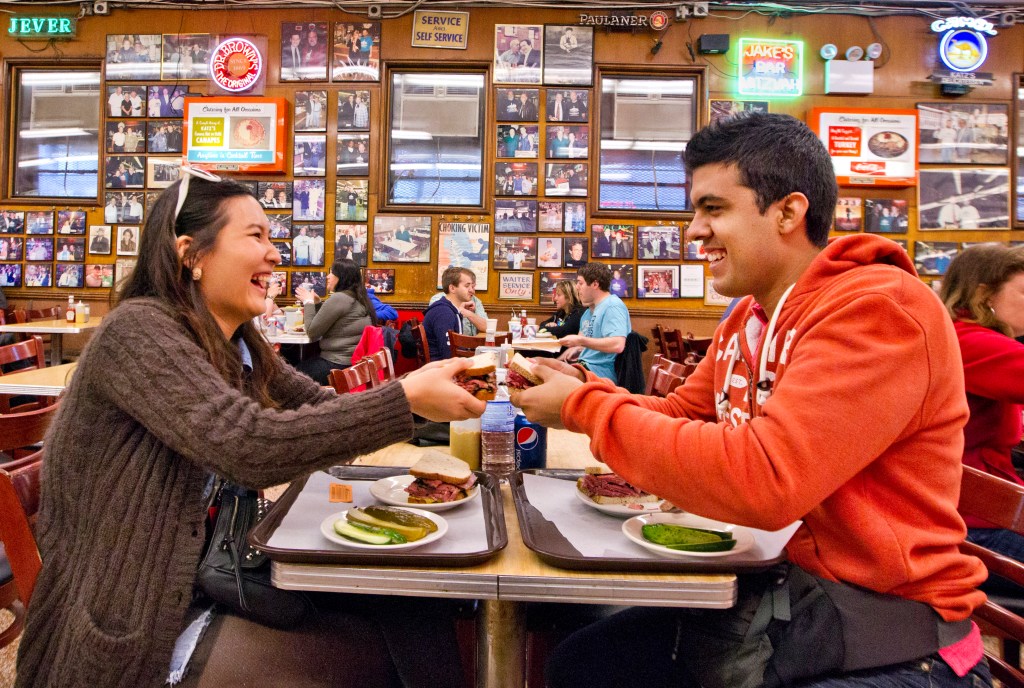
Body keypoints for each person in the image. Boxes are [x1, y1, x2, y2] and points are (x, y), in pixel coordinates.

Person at [516, 113, 990, 688]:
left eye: (713, 210)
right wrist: (577, 391)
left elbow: (764, 482)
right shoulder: (751, 314)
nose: (694, 230)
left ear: (788, 212)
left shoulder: (879, 309)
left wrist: (582, 409)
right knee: (584, 662)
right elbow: (683, 416)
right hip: (783, 600)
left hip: (890, 642)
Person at [14, 170, 486, 688]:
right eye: (255, 236)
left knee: (415, 607)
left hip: (213, 577)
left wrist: (422, 395)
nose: (276, 253)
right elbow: (248, 444)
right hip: (133, 623)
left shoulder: (239, 341)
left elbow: (318, 402)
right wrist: (406, 399)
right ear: (191, 254)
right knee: (367, 658)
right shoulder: (138, 331)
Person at [940, 244, 1024, 564]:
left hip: (980, 506)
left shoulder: (959, 335)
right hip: (977, 522)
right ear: (984, 295)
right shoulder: (970, 342)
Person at [294, 260, 375, 385]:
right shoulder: (357, 297)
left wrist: (308, 302)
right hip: (352, 364)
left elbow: (312, 332)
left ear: (341, 277)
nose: (328, 276)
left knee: (292, 374)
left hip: (337, 365)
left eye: (332, 273)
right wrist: (317, 303)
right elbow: (332, 321)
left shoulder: (339, 298)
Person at [554, 262, 629, 381]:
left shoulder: (612, 306)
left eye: (580, 283)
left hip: (599, 375)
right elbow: (580, 346)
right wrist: (559, 360)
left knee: (540, 371)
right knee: (538, 364)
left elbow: (618, 345)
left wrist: (580, 341)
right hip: (583, 366)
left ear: (595, 284)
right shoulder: (587, 313)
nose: (577, 287)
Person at [423, 267, 480, 360]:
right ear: (452, 288)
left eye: (472, 286)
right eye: (467, 286)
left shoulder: (450, 309)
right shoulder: (444, 313)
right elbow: (449, 354)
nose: (472, 290)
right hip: (442, 369)